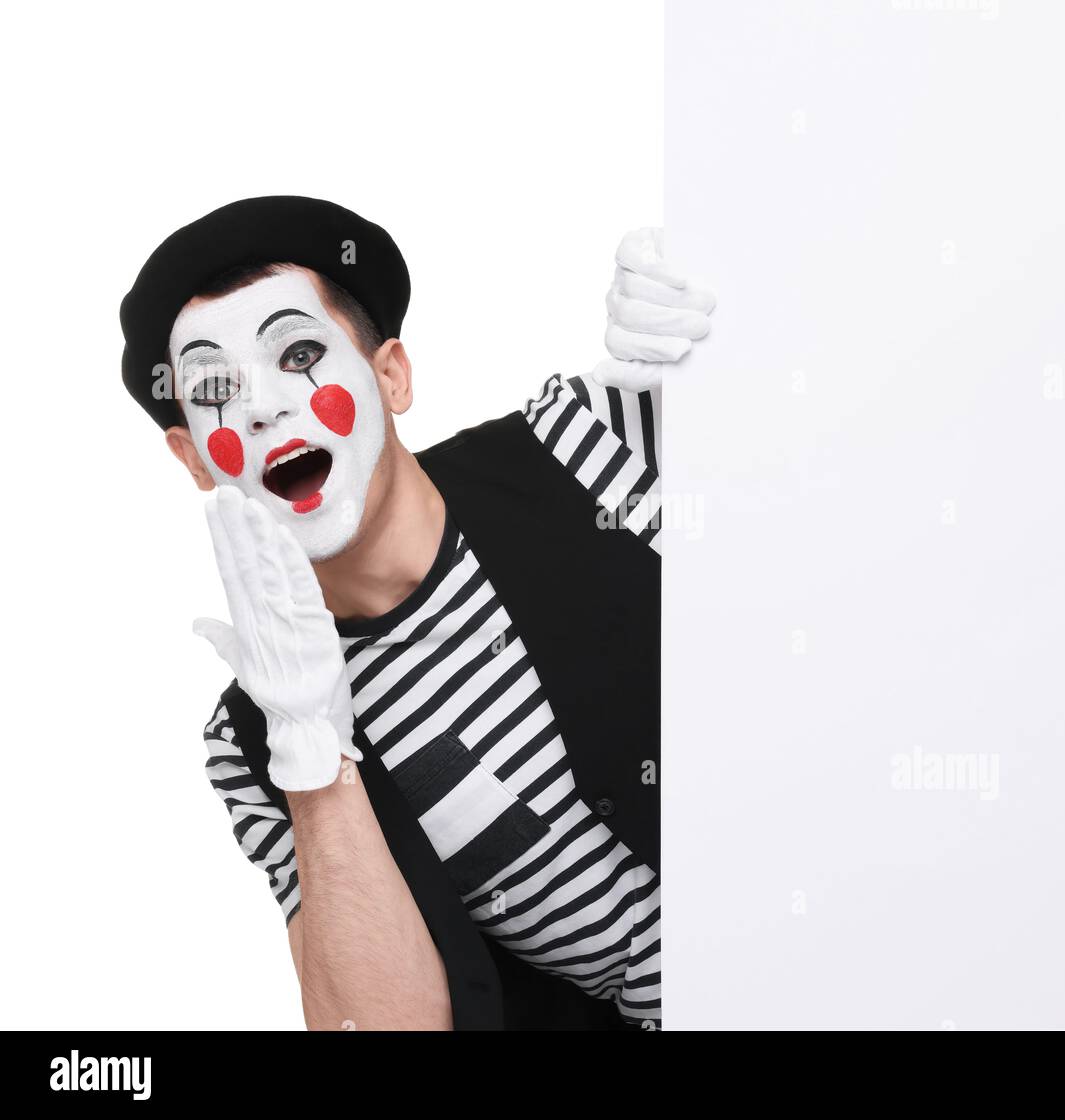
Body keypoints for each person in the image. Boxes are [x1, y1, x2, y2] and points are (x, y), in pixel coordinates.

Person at [118, 196, 715, 1030]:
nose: (261, 407)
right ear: (194, 460)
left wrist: (723, 323)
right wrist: (313, 753)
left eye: (297, 353)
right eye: (216, 388)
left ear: (391, 375)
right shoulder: (252, 746)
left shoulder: (583, 441)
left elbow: (862, 505)